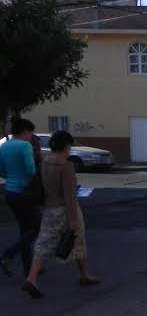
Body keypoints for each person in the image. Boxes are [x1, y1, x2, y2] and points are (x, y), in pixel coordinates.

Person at [22, 130, 100, 298]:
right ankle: (84, 274)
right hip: (65, 209)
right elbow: (69, 194)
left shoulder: (45, 161)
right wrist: (73, 218)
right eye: (69, 145)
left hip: (49, 208)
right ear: (66, 146)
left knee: (44, 243)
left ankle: (32, 277)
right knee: (77, 239)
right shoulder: (66, 166)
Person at [0, 118, 42, 277]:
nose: (31, 137)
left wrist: (12, 177)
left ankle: (28, 268)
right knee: (37, 228)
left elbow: (1, 170)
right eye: (31, 134)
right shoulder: (25, 146)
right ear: (25, 132)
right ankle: (8, 253)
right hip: (24, 192)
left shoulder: (4, 146)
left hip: (9, 191)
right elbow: (31, 170)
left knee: (25, 229)